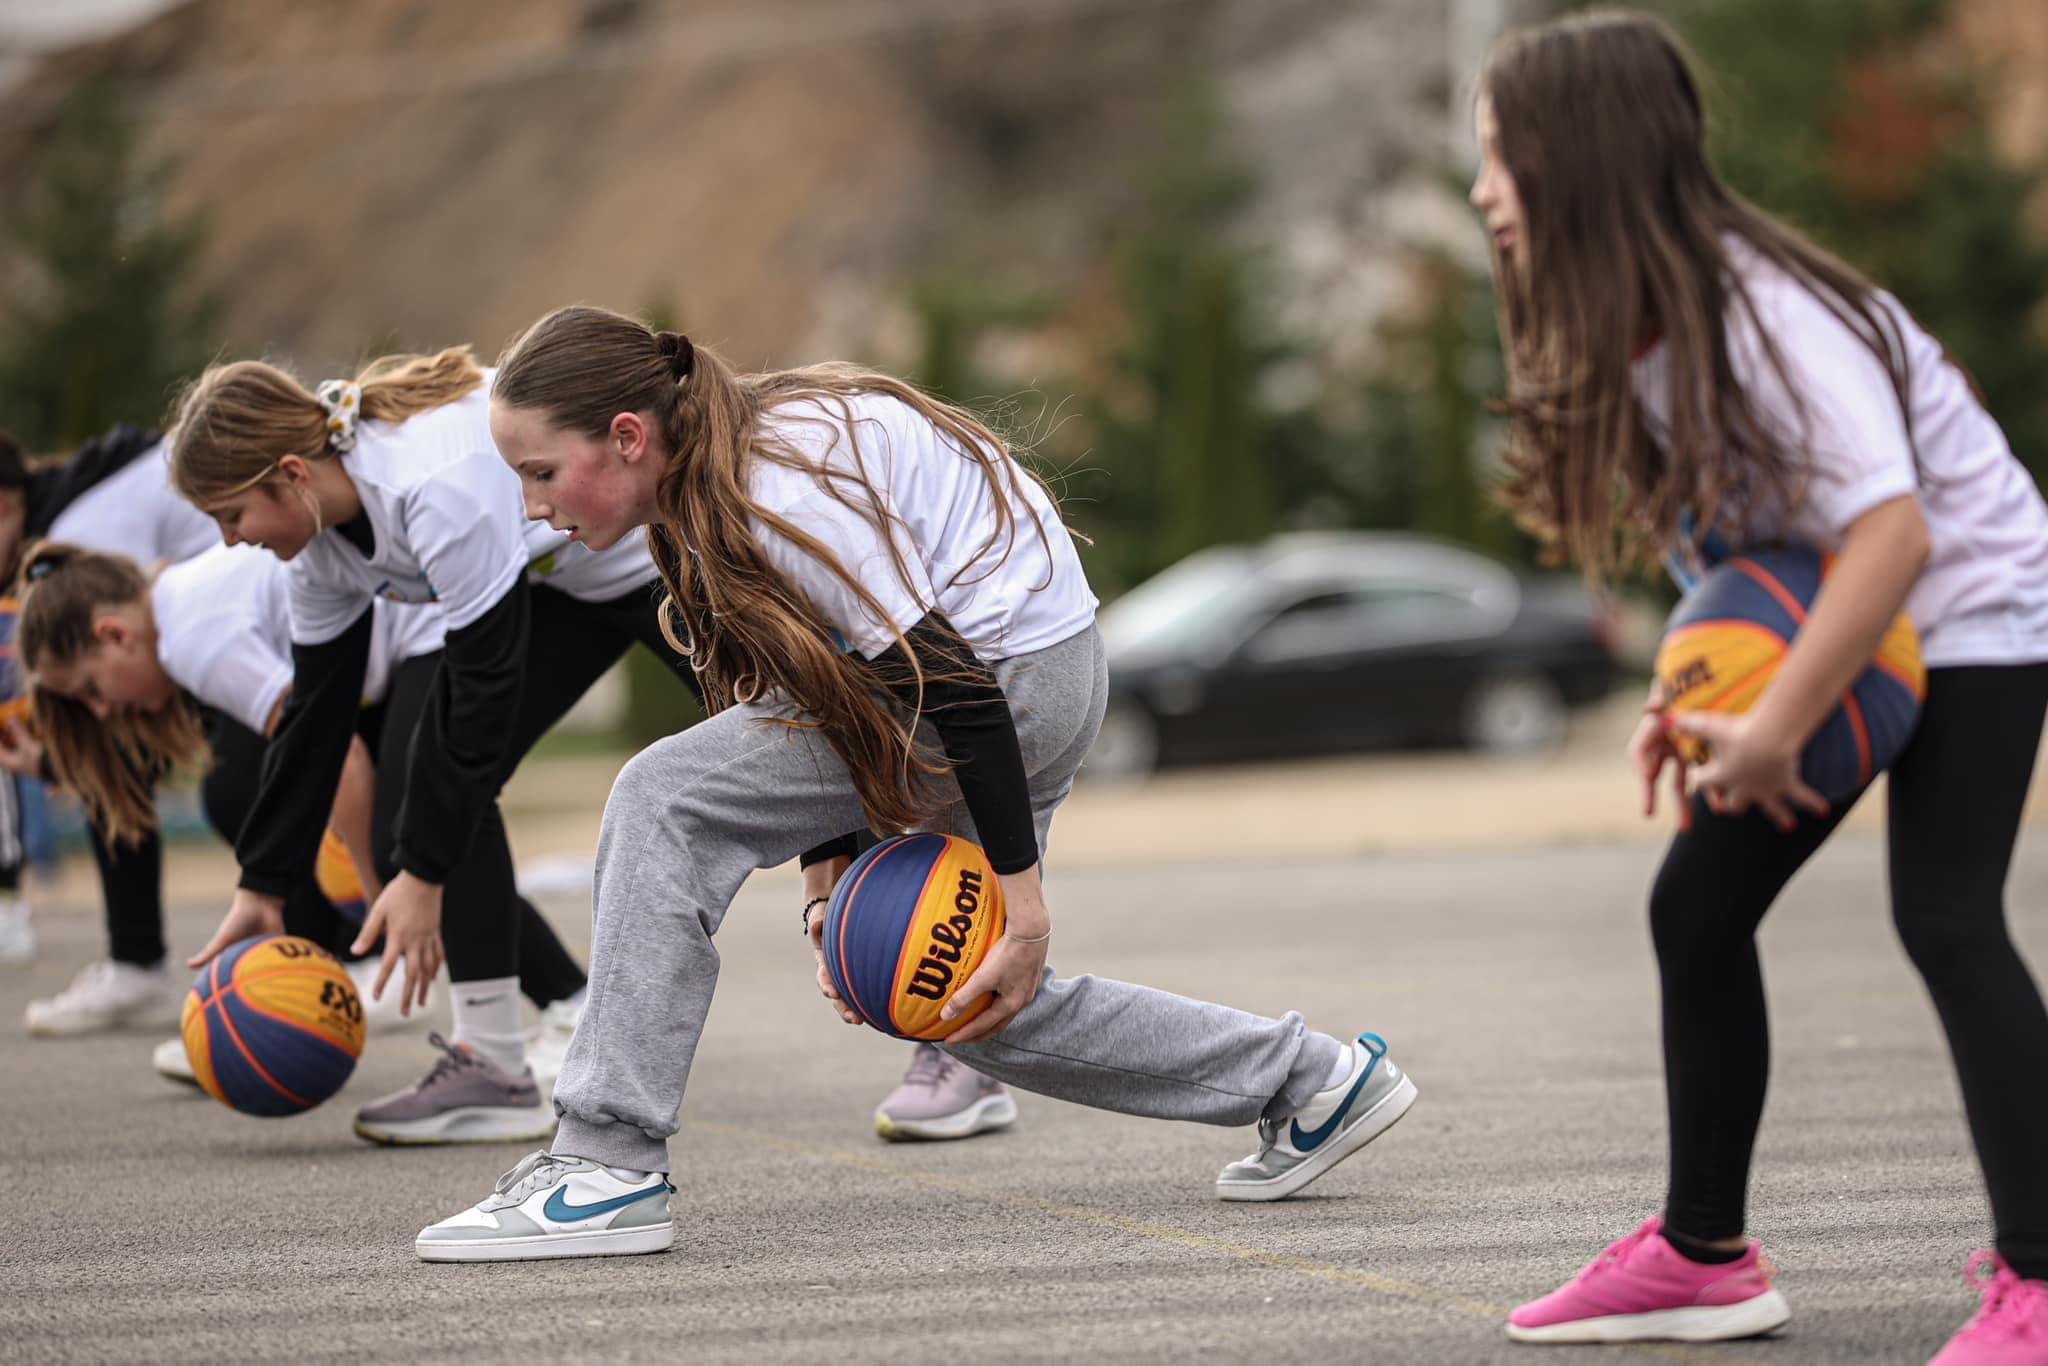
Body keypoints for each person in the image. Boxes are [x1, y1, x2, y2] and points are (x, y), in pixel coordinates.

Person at [408, 305, 1419, 1262]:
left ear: (626, 435)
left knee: (663, 798)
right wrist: (823, 882)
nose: (532, 507)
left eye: (539, 472)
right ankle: (1317, 1082)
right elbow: (794, 678)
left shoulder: (778, 483)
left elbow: (954, 685)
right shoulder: (718, 463)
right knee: (961, 995)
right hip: (1035, 673)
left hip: (998, 691)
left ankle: (604, 1163)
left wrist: (1021, 911)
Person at [1468, 12, 2048, 1359]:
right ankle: (1703, 1254)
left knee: (1949, 914)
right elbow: (1744, 553)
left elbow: (1893, 536)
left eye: (1501, 156)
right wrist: (1703, 705)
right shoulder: (1633, 321)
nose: (1485, 187)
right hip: (1852, 605)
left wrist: (1780, 723)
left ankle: (2039, 1274)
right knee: (1698, 907)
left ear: (1577, 157)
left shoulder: (1765, 316)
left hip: (1969, 602)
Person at [167, 346, 697, 1145]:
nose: (232, 542)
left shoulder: (431, 486)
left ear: (290, 474)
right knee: (427, 780)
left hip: (646, 554)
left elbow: (479, 696)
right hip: (563, 579)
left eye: (231, 515)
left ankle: (922, 959)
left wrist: (420, 874)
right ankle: (492, 1066)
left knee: (808, 734)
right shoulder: (320, 550)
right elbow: (316, 719)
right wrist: (263, 885)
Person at [1, 540, 588, 1086]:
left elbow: (338, 755)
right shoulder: (178, 613)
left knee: (410, 839)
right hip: (398, 642)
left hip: (430, 624)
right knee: (248, 793)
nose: (100, 710)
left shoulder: (195, 640)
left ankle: (572, 1005)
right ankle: (290, 998)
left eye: (90, 690)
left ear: (115, 636)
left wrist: (373, 891)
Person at [0, 424, 221, 1026]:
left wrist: (59, 760)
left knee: (243, 787)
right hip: (257, 611)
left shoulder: (80, 534)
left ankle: (139, 963)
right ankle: (138, 961)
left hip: (280, 608)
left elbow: (128, 681)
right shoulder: (72, 508)